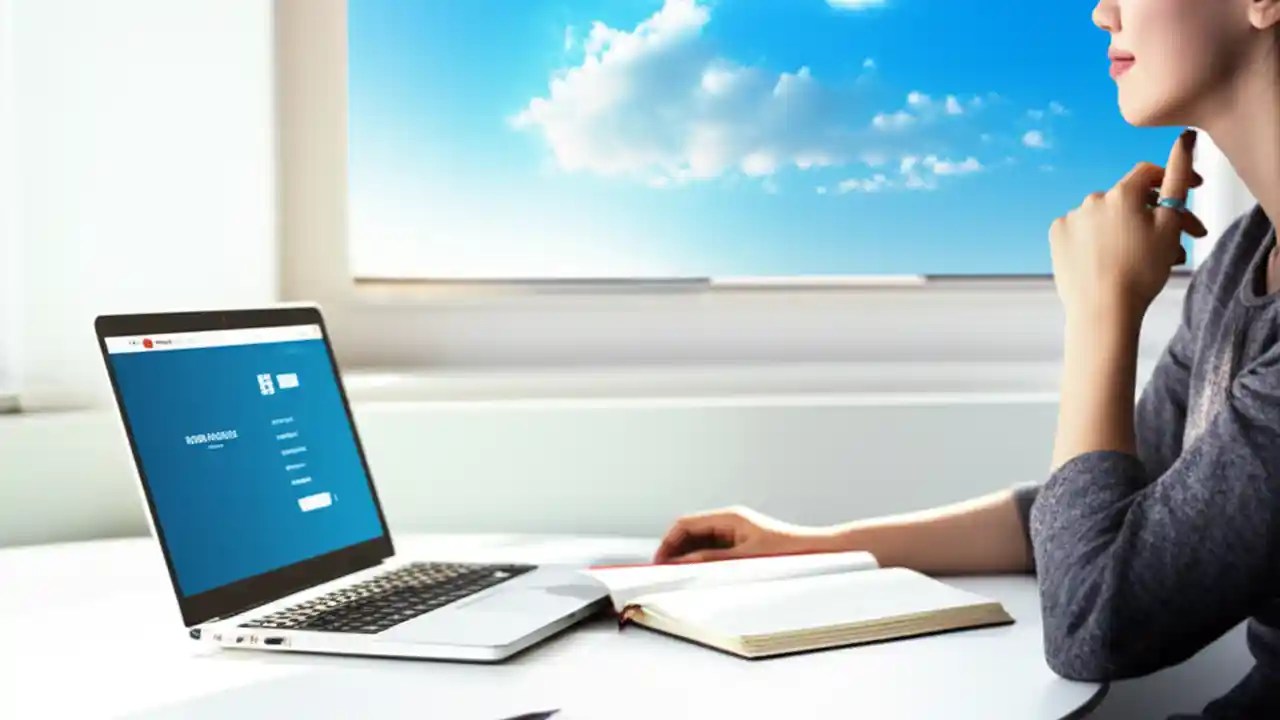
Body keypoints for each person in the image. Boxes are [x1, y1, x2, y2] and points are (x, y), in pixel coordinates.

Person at [652, 1, 1280, 716]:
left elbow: (1093, 622)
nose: (1103, 13)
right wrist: (818, 546)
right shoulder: (1239, 262)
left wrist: (1102, 312)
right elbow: (1089, 516)